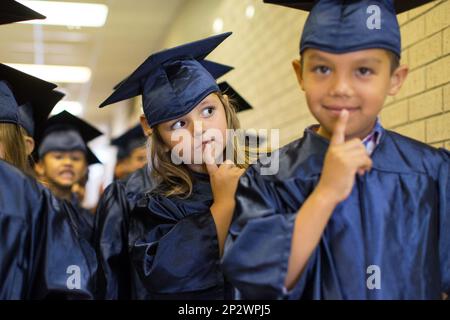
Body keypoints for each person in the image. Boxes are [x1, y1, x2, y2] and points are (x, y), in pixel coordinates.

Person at [222, 0, 450, 299]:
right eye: (322, 68)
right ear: (300, 73)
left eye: (364, 70)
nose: (341, 87)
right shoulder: (268, 177)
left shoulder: (432, 170)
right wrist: (326, 193)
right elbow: (256, 284)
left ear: (396, 79)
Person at [95, 32, 254, 299]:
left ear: (225, 106)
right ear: (153, 130)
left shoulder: (264, 178)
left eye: (208, 111)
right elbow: (163, 275)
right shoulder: (154, 205)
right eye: (178, 124)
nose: (200, 130)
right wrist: (224, 205)